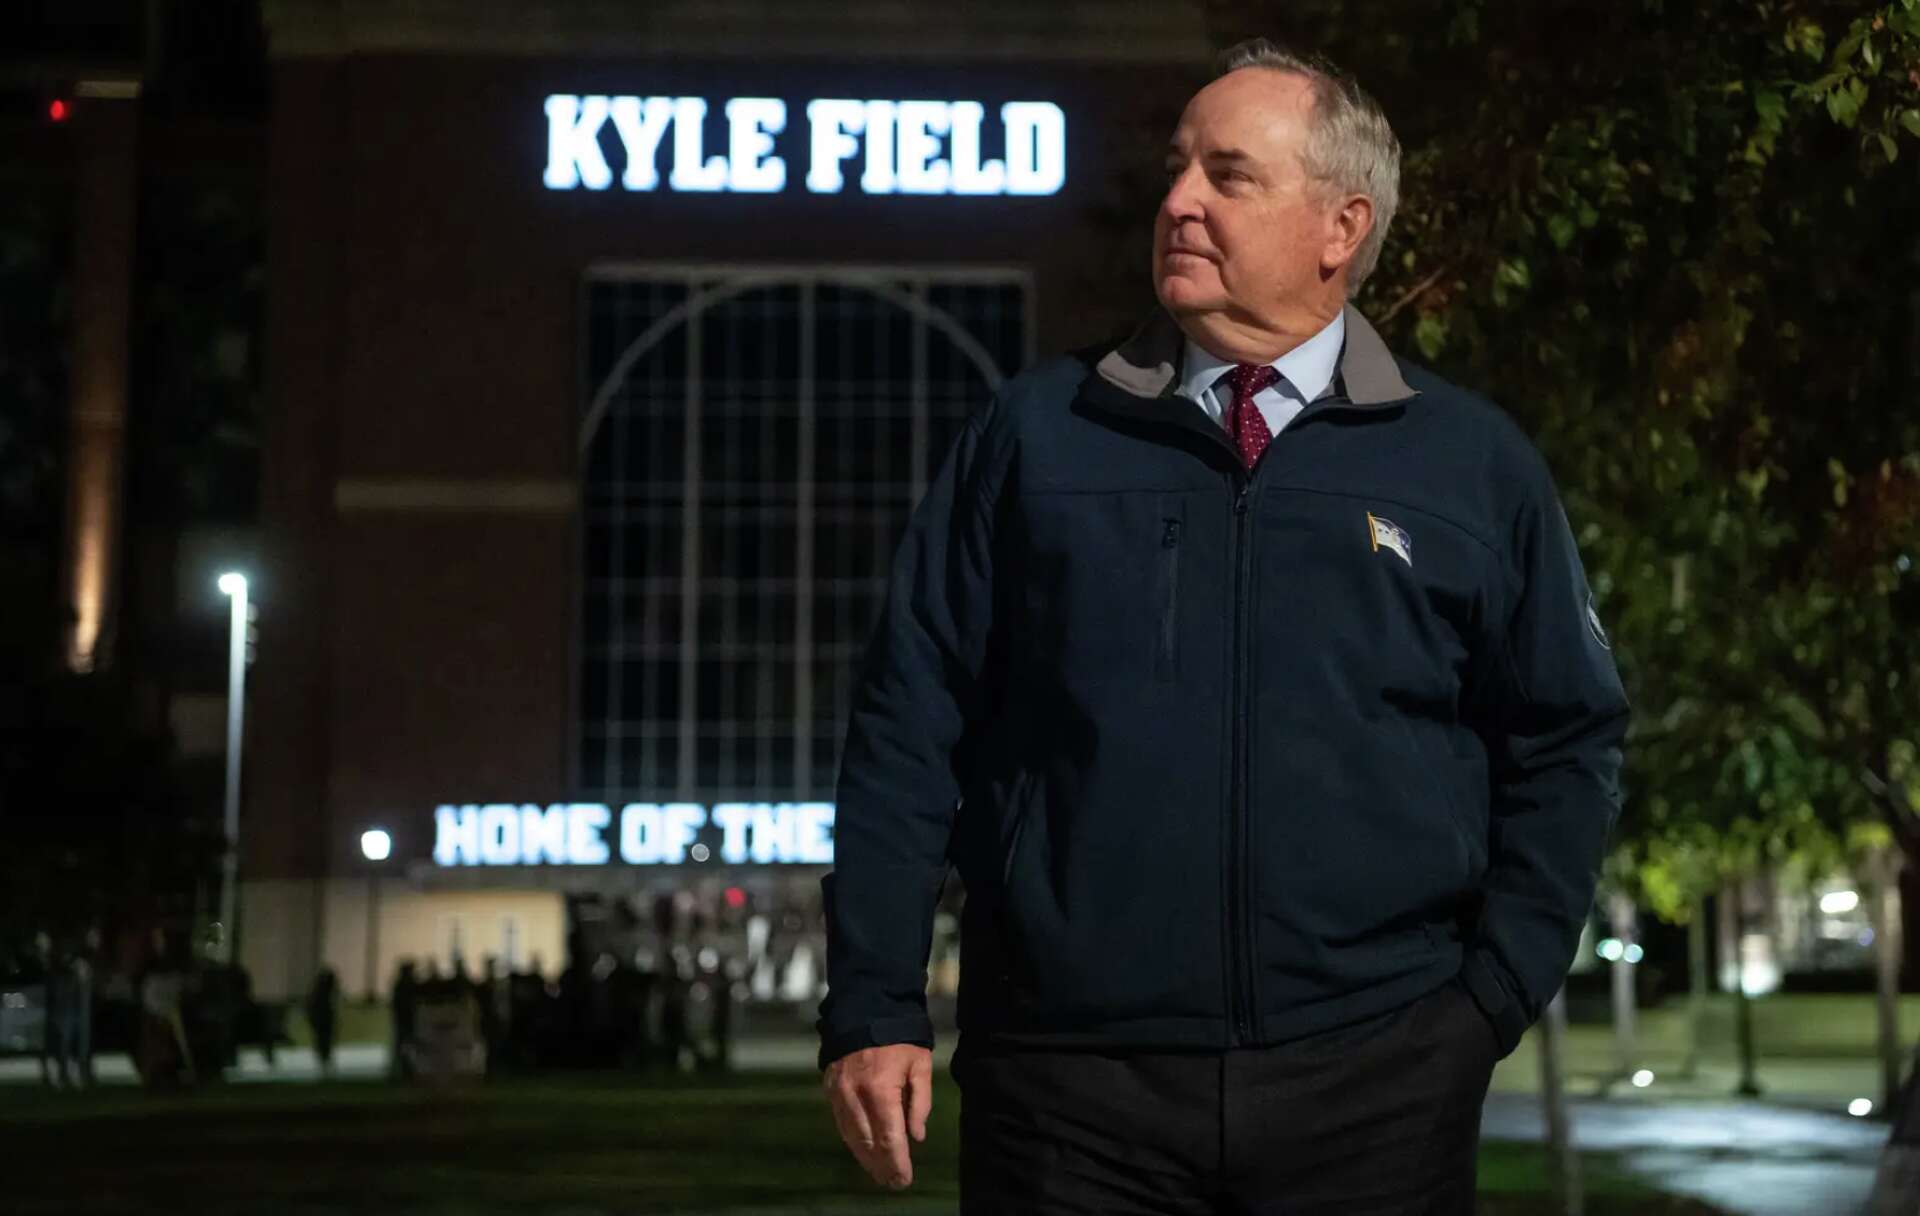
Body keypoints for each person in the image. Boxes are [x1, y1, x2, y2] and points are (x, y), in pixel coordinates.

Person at [816, 38, 1629, 1214]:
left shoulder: (1471, 465)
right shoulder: (1034, 436)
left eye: (1229, 175)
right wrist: (875, 999)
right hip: (1065, 1091)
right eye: (1178, 169)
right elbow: (905, 722)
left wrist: (1489, 997)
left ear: (1340, 227)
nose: (1180, 201)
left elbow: (1568, 737)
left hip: (1378, 1084)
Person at [306, 966, 340, 1077]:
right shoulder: (322, 995)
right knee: (324, 1042)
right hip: (323, 1021)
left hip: (323, 1021)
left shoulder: (320, 994)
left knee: (324, 1042)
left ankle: (325, 1063)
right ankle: (325, 1063)